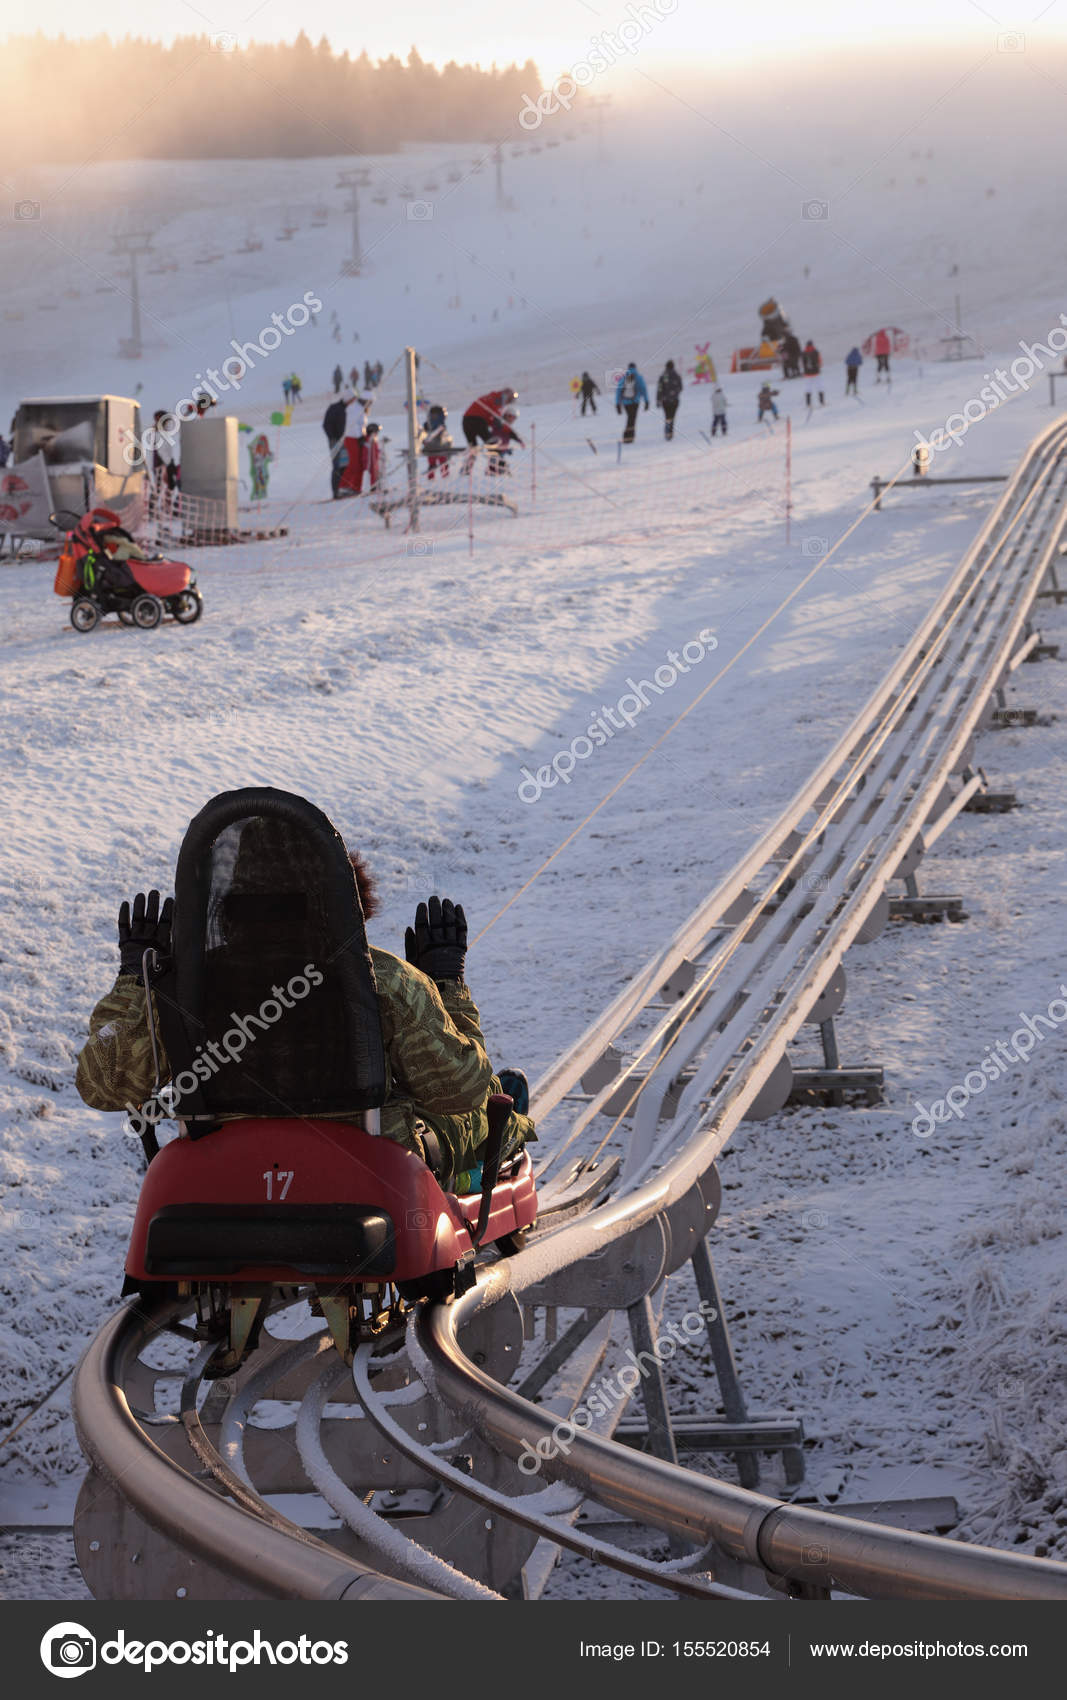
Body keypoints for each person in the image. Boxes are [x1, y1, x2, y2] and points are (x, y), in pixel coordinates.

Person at [74, 861, 534, 1184]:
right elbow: (459, 1088)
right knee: (472, 1110)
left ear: (230, 905)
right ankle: (505, 1126)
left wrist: (136, 980)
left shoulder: (186, 987)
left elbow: (105, 1087)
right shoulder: (383, 977)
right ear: (340, 900)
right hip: (364, 1168)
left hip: (226, 1170)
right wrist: (444, 986)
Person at [615, 362, 649, 443]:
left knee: (630, 418)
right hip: (635, 402)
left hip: (626, 402)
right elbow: (643, 389)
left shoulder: (624, 377)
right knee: (632, 419)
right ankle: (629, 437)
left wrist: (618, 404)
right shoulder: (638, 377)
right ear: (635, 367)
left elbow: (618, 391)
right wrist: (646, 401)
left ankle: (628, 437)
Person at [323, 394, 348, 498]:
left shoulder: (344, 409)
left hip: (342, 441)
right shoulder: (335, 408)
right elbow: (326, 425)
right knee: (337, 466)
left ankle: (341, 488)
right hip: (335, 441)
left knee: (344, 464)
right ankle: (336, 492)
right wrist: (333, 437)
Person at [422, 404, 453, 478]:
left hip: (431, 448)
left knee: (434, 464)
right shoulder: (438, 425)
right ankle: (443, 477)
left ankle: (434, 477)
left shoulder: (428, 424)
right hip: (439, 448)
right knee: (442, 463)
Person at [656, 360, 683, 439]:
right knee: (672, 417)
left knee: (667, 416)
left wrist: (658, 399)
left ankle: (667, 432)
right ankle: (670, 433)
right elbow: (681, 387)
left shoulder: (663, 376)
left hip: (665, 400)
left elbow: (660, 389)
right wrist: (674, 394)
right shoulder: (677, 375)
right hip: (675, 400)